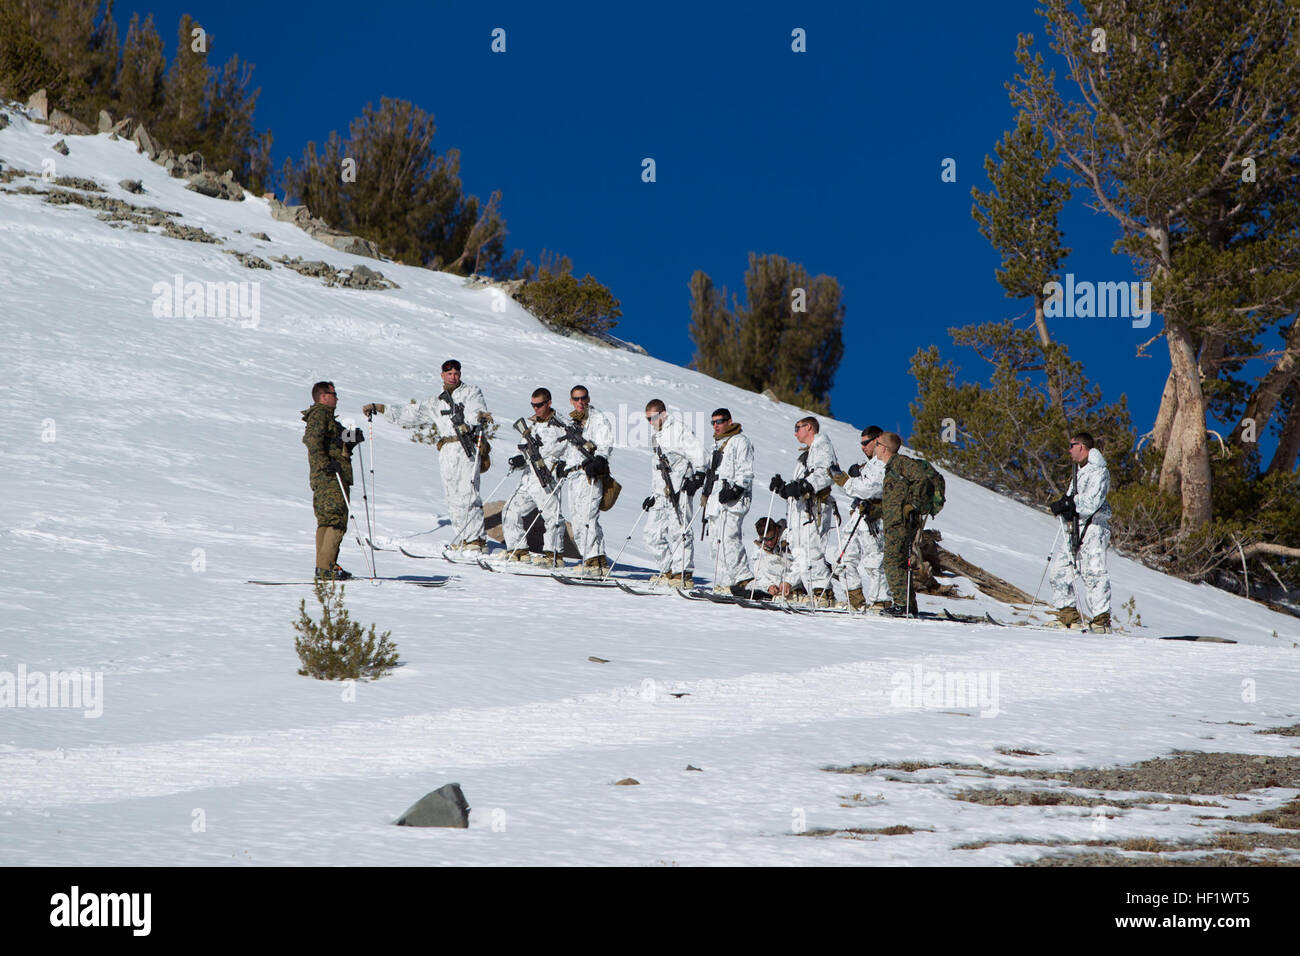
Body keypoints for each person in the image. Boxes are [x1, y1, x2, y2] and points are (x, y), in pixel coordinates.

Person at [363, 359, 493, 553]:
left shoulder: (470, 391)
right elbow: (411, 414)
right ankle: (463, 538)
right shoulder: (436, 402)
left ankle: (476, 540)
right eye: (449, 373)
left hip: (465, 446)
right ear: (442, 375)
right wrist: (382, 409)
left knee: (468, 493)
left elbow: (476, 408)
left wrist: (479, 416)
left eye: (456, 373)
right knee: (452, 495)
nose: (453, 376)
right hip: (446, 449)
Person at [769, 416, 839, 607]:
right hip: (801, 511)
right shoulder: (806, 454)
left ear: (809, 427)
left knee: (812, 549)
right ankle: (797, 587)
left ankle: (823, 593)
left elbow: (826, 473)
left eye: (797, 427)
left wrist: (806, 485)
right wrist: (784, 488)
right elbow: (800, 483)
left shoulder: (822, 446)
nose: (795, 432)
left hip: (814, 508)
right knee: (799, 549)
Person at [1047, 432, 1113, 631]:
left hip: (1093, 527)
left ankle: (1101, 620)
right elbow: (1073, 499)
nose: (1069, 450)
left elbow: (1093, 501)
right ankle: (1068, 616)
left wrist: (1070, 504)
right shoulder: (1079, 471)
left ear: (1082, 446)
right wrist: (1063, 505)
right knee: (1059, 570)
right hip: (1074, 527)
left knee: (1093, 571)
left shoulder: (1099, 471)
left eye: (1071, 445)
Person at [642, 398, 706, 588]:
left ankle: (683, 574)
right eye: (647, 420)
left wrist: (698, 476)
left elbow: (698, 453)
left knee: (680, 531)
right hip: (661, 493)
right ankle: (668, 570)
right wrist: (653, 494)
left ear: (663, 414)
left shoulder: (679, 430)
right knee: (651, 534)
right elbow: (657, 469)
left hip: (680, 490)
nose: (651, 423)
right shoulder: (657, 436)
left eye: (653, 418)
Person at [502, 388, 570, 566]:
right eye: (533, 405)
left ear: (549, 403)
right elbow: (524, 449)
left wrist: (565, 465)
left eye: (539, 405)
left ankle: (553, 555)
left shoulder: (561, 425)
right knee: (510, 509)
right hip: (528, 477)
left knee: (552, 515)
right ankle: (518, 550)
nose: (536, 409)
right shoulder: (531, 425)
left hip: (546, 476)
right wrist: (519, 459)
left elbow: (573, 448)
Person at [874, 432, 935, 617]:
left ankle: (902, 604)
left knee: (893, 562)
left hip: (901, 523)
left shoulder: (900, 463)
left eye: (877, 443)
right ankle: (908, 605)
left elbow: (922, 478)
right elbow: (895, 500)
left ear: (884, 448)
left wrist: (914, 505)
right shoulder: (891, 468)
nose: (875, 447)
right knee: (897, 562)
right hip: (894, 522)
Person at [302, 381, 360, 579]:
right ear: (323, 396)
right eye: (333, 394)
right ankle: (327, 567)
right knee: (336, 520)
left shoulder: (326, 418)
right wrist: (326, 462)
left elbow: (333, 439)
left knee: (326, 521)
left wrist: (350, 438)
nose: (337, 397)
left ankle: (323, 566)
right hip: (331, 476)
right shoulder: (320, 414)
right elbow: (312, 440)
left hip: (325, 476)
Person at [560, 385, 616, 576]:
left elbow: (605, 442)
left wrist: (600, 459)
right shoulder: (572, 422)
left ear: (588, 398)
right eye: (576, 399)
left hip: (589, 475)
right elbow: (569, 451)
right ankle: (597, 560)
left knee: (587, 518)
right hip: (574, 476)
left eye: (583, 398)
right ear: (571, 401)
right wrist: (563, 465)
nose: (580, 402)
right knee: (577, 519)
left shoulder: (597, 418)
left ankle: (593, 561)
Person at [831, 425, 888, 609]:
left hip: (875, 519)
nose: (862, 447)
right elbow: (858, 489)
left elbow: (869, 489)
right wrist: (848, 477)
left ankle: (881, 601)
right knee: (843, 557)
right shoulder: (870, 464)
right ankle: (855, 599)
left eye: (866, 443)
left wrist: (845, 480)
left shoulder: (884, 463)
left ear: (878, 440)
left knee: (875, 560)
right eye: (861, 444)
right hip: (858, 516)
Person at [701, 408, 755, 593]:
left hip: (733, 499)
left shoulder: (740, 442)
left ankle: (743, 579)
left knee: (729, 538)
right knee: (716, 541)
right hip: (716, 499)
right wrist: (706, 494)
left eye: (720, 421)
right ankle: (725, 582)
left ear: (729, 421)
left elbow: (746, 470)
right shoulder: (717, 444)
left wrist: (736, 489)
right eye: (713, 422)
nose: (716, 425)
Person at [747, 517, 792, 599]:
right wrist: (768, 586)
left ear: (776, 530)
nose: (769, 542)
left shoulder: (789, 537)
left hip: (790, 576)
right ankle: (772, 590)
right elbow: (758, 572)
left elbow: (797, 563)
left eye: (772, 538)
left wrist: (788, 581)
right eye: (766, 540)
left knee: (768, 561)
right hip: (773, 580)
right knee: (759, 566)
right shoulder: (760, 546)